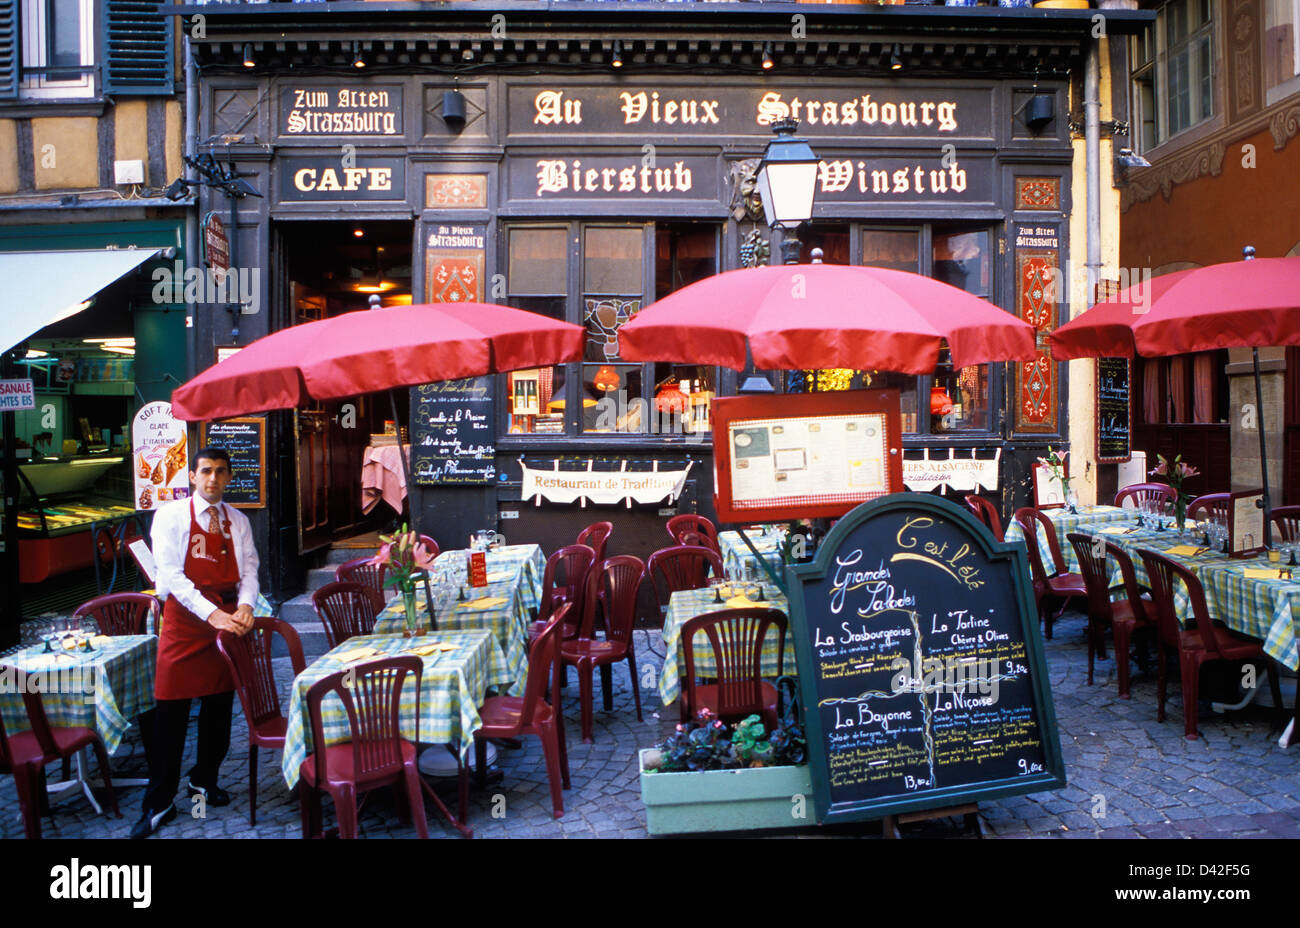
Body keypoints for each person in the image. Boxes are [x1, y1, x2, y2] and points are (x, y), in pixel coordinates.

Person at [131, 447, 259, 839]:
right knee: (170, 713)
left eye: (221, 472)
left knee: (218, 711)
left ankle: (203, 781)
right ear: (191, 475)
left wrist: (247, 605)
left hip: (227, 621)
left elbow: (250, 568)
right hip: (186, 624)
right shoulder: (170, 516)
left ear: (230, 477)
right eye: (206, 471)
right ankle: (159, 801)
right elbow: (171, 577)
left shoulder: (237, 520)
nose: (213, 479)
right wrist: (213, 615)